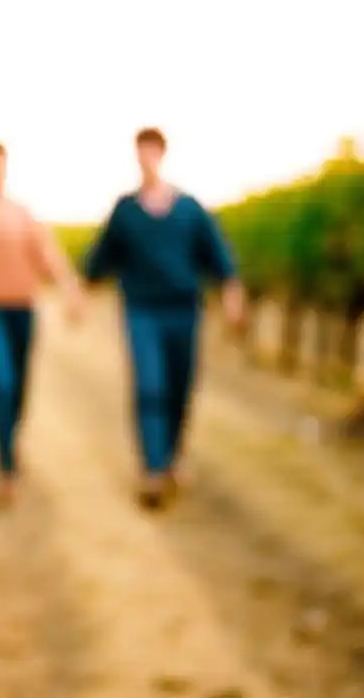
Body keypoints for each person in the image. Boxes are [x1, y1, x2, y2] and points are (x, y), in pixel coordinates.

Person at [82, 128, 245, 510]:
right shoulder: (125, 210)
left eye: (152, 151)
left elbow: (218, 258)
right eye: (141, 152)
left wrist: (232, 295)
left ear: (161, 154)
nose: (146, 158)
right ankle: (153, 469)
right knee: (150, 385)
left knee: (180, 387)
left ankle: (173, 458)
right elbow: (100, 260)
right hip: (142, 311)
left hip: (185, 310)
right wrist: (81, 294)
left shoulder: (189, 209)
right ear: (136, 156)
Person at [0, 142, 83, 508]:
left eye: (2, 164)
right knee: (3, 382)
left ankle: (11, 441)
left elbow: (47, 255)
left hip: (23, 309)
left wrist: (70, 288)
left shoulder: (23, 213)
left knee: (20, 386)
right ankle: (4, 469)